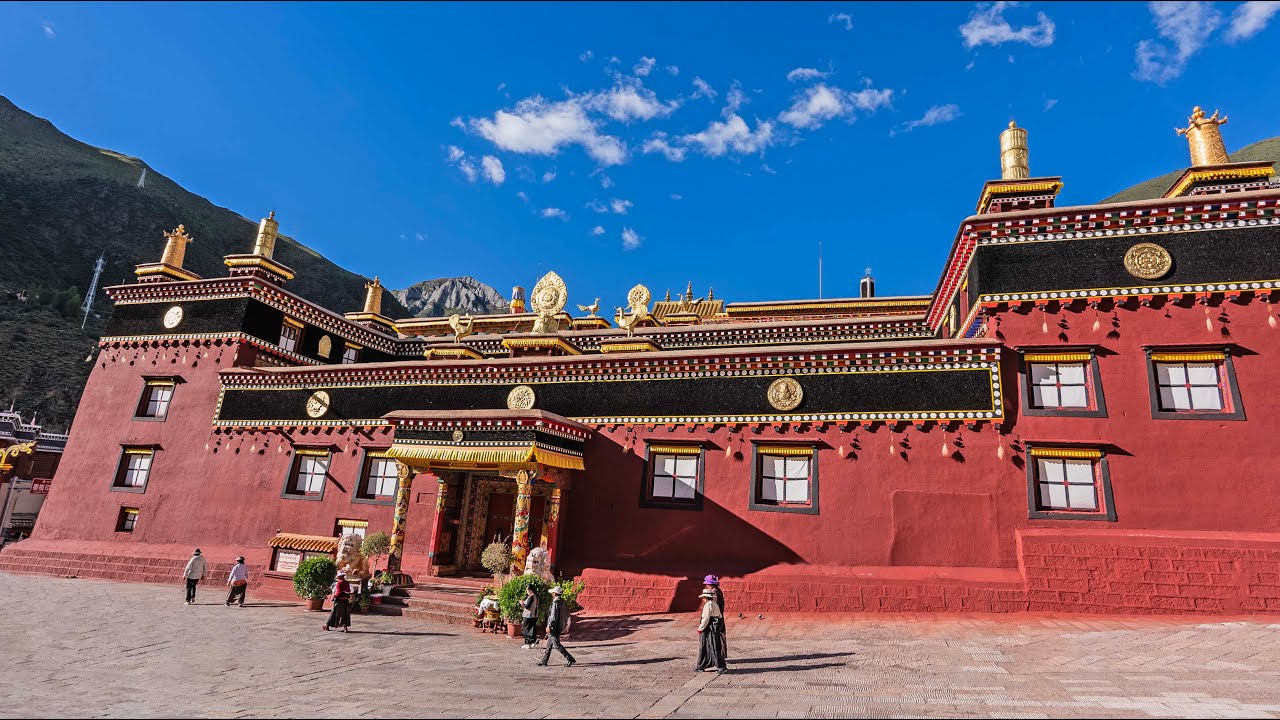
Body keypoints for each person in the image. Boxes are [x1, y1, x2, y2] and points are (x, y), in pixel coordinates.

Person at [537, 585, 576, 667]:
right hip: (559, 626)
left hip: (554, 627)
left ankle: (570, 658)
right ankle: (544, 660)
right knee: (549, 645)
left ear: (554, 594)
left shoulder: (555, 603)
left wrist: (549, 626)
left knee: (556, 645)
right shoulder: (562, 602)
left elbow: (553, 617)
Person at [695, 589, 727, 673]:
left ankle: (719, 666)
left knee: (708, 647)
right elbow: (720, 616)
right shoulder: (714, 604)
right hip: (715, 628)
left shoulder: (707, 605)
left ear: (705, 598)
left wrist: (700, 628)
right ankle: (716, 665)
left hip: (709, 628)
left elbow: (705, 619)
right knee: (715, 646)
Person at [704, 574, 728, 659]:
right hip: (720, 616)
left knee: (715, 636)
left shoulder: (714, 592)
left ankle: (717, 656)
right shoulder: (718, 590)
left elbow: (714, 606)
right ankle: (722, 655)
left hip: (715, 617)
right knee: (721, 635)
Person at [520, 584, 540, 649]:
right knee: (530, 629)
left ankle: (533, 639)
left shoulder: (531, 597)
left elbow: (527, 606)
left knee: (524, 629)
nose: (527, 592)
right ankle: (527, 644)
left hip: (529, 615)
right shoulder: (536, 596)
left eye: (527, 590)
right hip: (534, 615)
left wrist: (522, 603)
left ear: (530, 590)